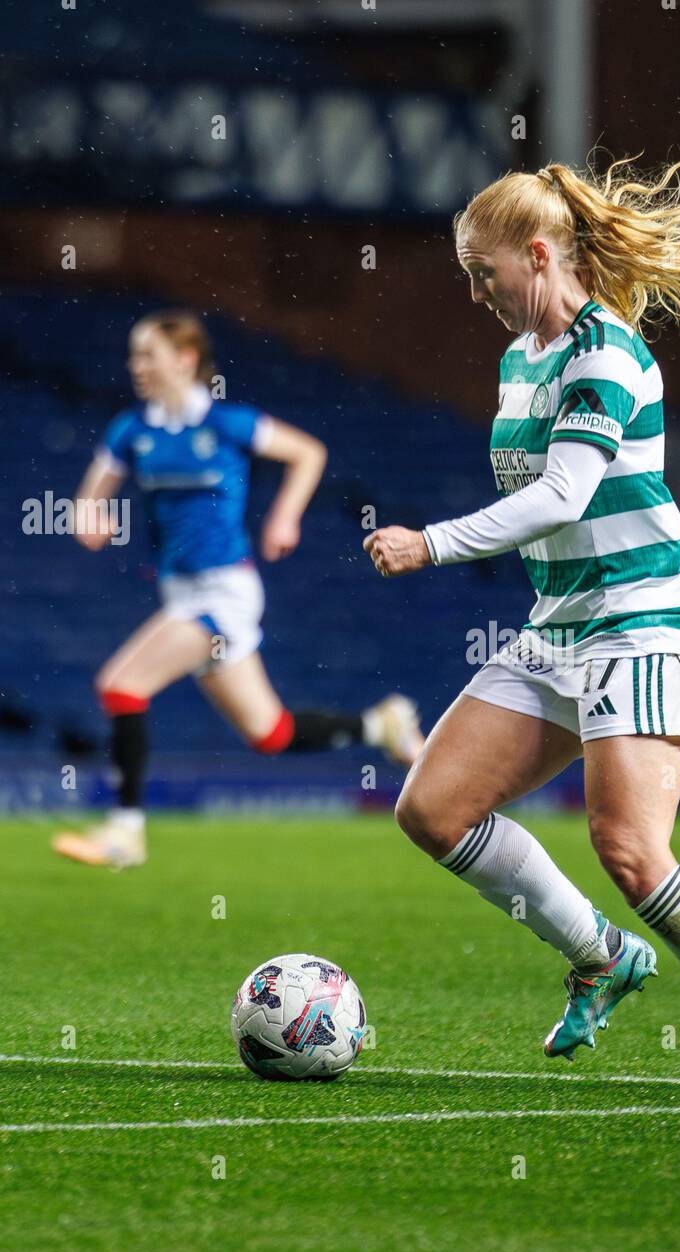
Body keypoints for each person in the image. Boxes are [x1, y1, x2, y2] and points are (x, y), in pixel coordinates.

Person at [363, 157, 680, 1095]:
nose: (475, 290)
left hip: (642, 620)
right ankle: (600, 956)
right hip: (560, 624)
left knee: (628, 849)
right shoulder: (518, 359)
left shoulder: (604, 352)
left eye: (482, 270)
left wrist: (434, 544)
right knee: (432, 808)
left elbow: (564, 491)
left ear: (537, 255)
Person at [53, 310, 422, 869]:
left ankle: (125, 834)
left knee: (122, 686)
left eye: (148, 355)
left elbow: (308, 453)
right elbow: (89, 497)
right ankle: (381, 724)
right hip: (181, 596)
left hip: (224, 595)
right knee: (270, 733)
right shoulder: (133, 430)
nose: (137, 366)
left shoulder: (226, 424)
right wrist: (88, 518)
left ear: (185, 360)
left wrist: (284, 517)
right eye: (133, 355)